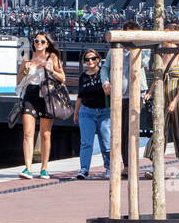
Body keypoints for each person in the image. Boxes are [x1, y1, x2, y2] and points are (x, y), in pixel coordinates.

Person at [144, 22, 179, 178]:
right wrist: (150, 92)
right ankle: (155, 165)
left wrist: (176, 100)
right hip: (162, 97)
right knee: (160, 130)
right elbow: (158, 76)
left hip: (176, 96)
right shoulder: (161, 54)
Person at [16, 31, 66, 179]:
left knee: (45, 134)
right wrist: (26, 69)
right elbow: (19, 79)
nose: (38, 44)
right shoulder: (27, 58)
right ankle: (28, 168)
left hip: (47, 94)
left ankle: (44, 168)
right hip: (30, 94)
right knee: (28, 133)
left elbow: (62, 78)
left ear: (47, 44)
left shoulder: (52, 57)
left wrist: (51, 70)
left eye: (42, 42)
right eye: (36, 41)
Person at [101, 20, 149, 176]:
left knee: (132, 129)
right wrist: (106, 82)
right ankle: (125, 164)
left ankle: (132, 163)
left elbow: (144, 63)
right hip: (119, 94)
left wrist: (135, 47)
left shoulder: (143, 48)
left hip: (136, 92)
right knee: (119, 130)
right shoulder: (115, 49)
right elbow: (105, 68)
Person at [73, 47, 111, 179]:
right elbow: (80, 96)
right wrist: (76, 113)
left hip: (104, 112)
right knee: (86, 143)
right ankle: (84, 169)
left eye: (93, 58)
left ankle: (109, 168)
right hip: (87, 111)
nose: (90, 61)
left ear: (98, 59)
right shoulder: (83, 77)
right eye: (87, 59)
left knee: (106, 143)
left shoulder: (104, 74)